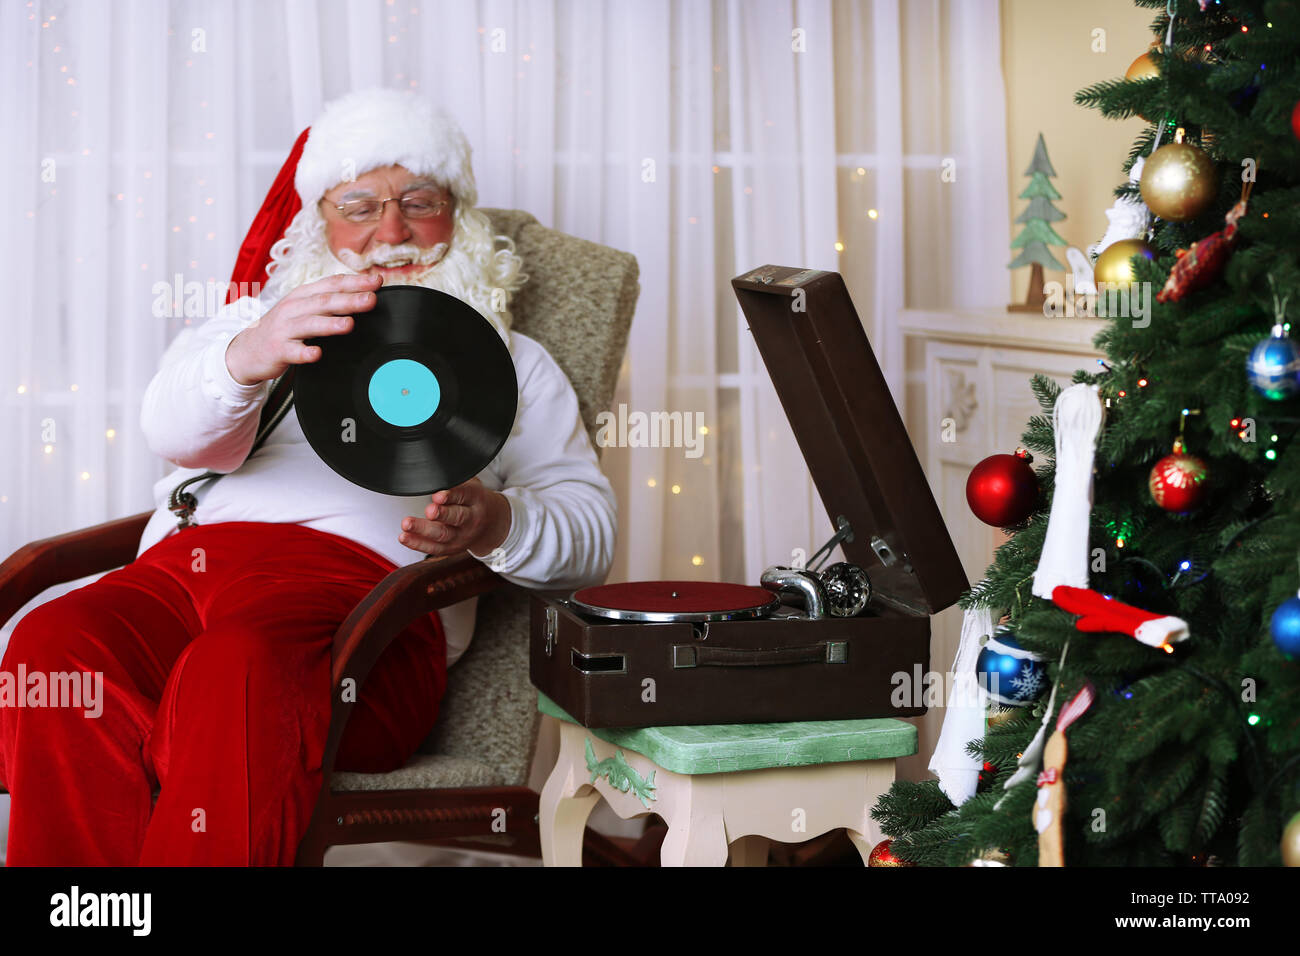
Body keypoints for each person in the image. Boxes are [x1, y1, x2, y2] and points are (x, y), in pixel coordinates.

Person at [0, 88, 617, 865]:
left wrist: (495, 521)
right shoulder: (253, 323)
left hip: (363, 622)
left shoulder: (513, 362)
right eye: (358, 205)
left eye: (419, 202)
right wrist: (252, 353)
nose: (390, 232)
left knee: (237, 671)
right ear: (318, 223)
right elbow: (169, 430)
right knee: (56, 644)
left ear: (459, 217)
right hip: (180, 576)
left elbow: (591, 533)